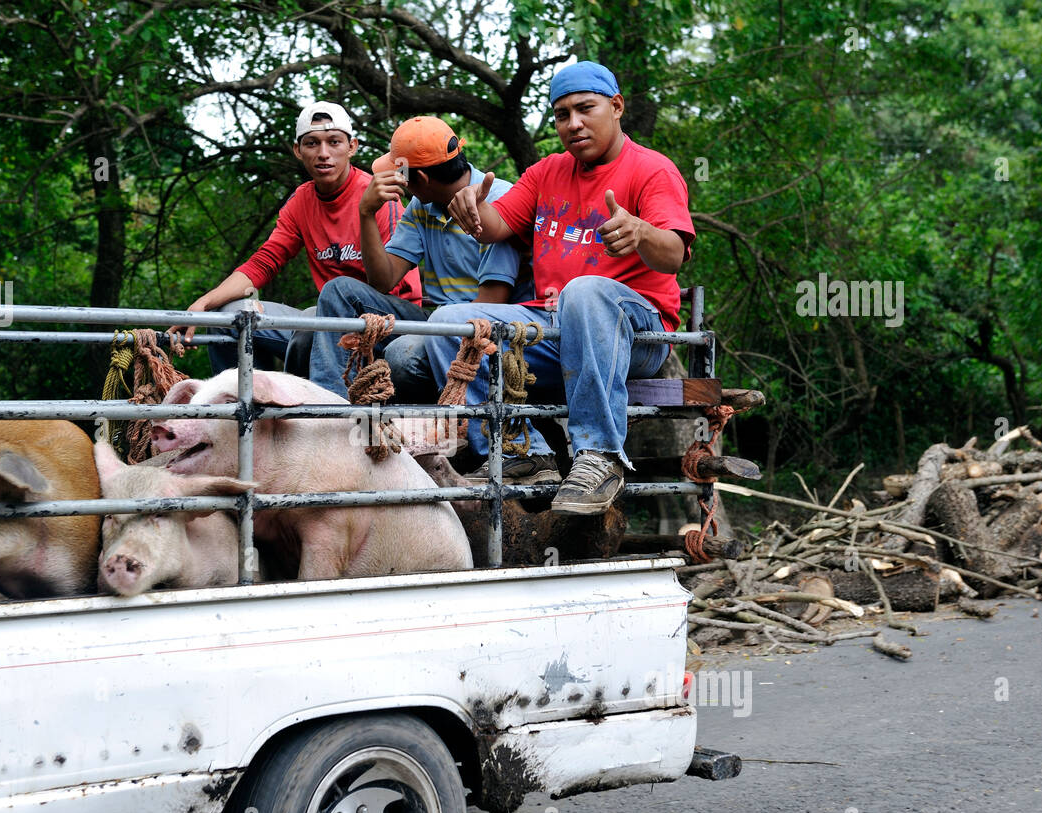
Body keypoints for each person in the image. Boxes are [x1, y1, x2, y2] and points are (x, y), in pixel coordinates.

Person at [431, 61, 695, 514]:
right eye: (561, 114)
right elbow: (495, 225)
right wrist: (471, 210)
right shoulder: (546, 172)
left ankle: (599, 456)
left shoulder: (653, 170)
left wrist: (641, 233)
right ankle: (523, 453)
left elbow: (675, 252)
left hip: (638, 336)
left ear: (616, 107)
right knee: (450, 322)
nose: (572, 123)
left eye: (585, 109)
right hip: (554, 329)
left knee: (586, 290)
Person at [174, 102, 421, 373]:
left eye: (334, 142)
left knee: (315, 321)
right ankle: (245, 408)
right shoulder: (301, 201)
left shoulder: (379, 196)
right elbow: (264, 262)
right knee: (228, 315)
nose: (323, 154)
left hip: (389, 323)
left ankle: (320, 408)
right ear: (298, 151)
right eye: (312, 143)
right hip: (325, 322)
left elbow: (392, 285)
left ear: (352, 147)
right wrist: (203, 304)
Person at [306, 116, 532, 400]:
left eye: (400, 172)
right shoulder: (421, 205)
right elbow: (382, 281)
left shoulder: (497, 201)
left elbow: (490, 305)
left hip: (488, 329)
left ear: (421, 180)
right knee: (340, 291)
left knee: (403, 355)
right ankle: (331, 408)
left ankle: (440, 417)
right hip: (437, 319)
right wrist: (366, 213)